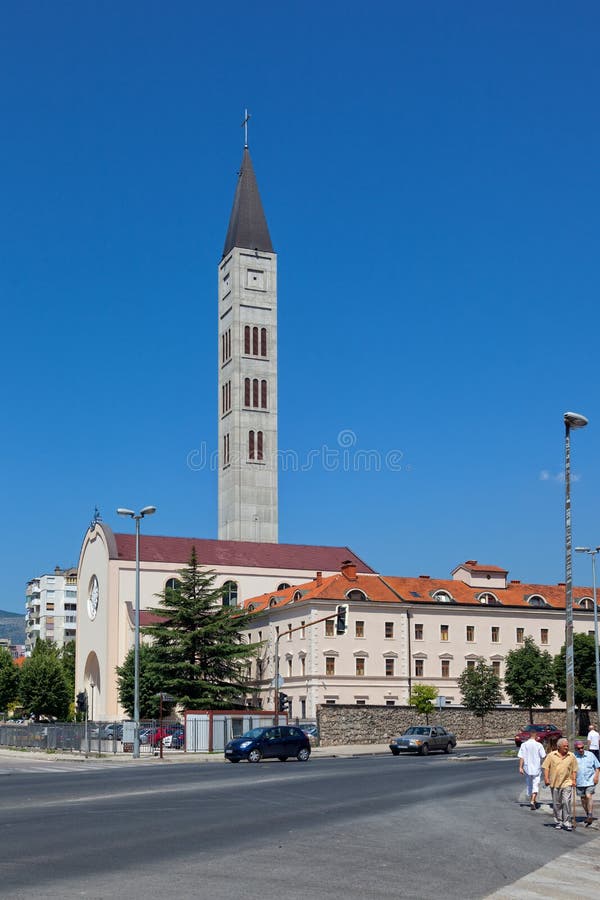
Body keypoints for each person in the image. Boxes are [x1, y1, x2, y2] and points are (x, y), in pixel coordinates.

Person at [543, 737, 578, 831]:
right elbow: (546, 768)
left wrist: (574, 780)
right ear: (559, 747)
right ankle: (559, 821)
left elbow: (574, 769)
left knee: (566, 802)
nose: (567, 747)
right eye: (564, 746)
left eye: (567, 746)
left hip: (567, 783)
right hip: (554, 783)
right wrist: (546, 778)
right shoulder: (551, 755)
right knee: (557, 804)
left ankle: (567, 822)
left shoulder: (571, 756)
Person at [574, 739, 600, 826]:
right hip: (579, 781)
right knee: (582, 799)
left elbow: (597, 767)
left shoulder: (590, 755)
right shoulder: (574, 757)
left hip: (590, 780)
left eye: (582, 748)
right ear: (575, 749)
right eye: (578, 748)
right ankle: (588, 814)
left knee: (588, 796)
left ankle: (590, 814)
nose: (581, 750)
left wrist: (596, 776)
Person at [518, 732, 546, 810]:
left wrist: (520, 767)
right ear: (536, 736)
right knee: (536, 784)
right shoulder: (539, 745)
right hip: (536, 768)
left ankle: (532, 800)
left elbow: (521, 757)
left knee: (529, 784)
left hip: (527, 768)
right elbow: (543, 756)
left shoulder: (524, 745)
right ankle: (533, 800)